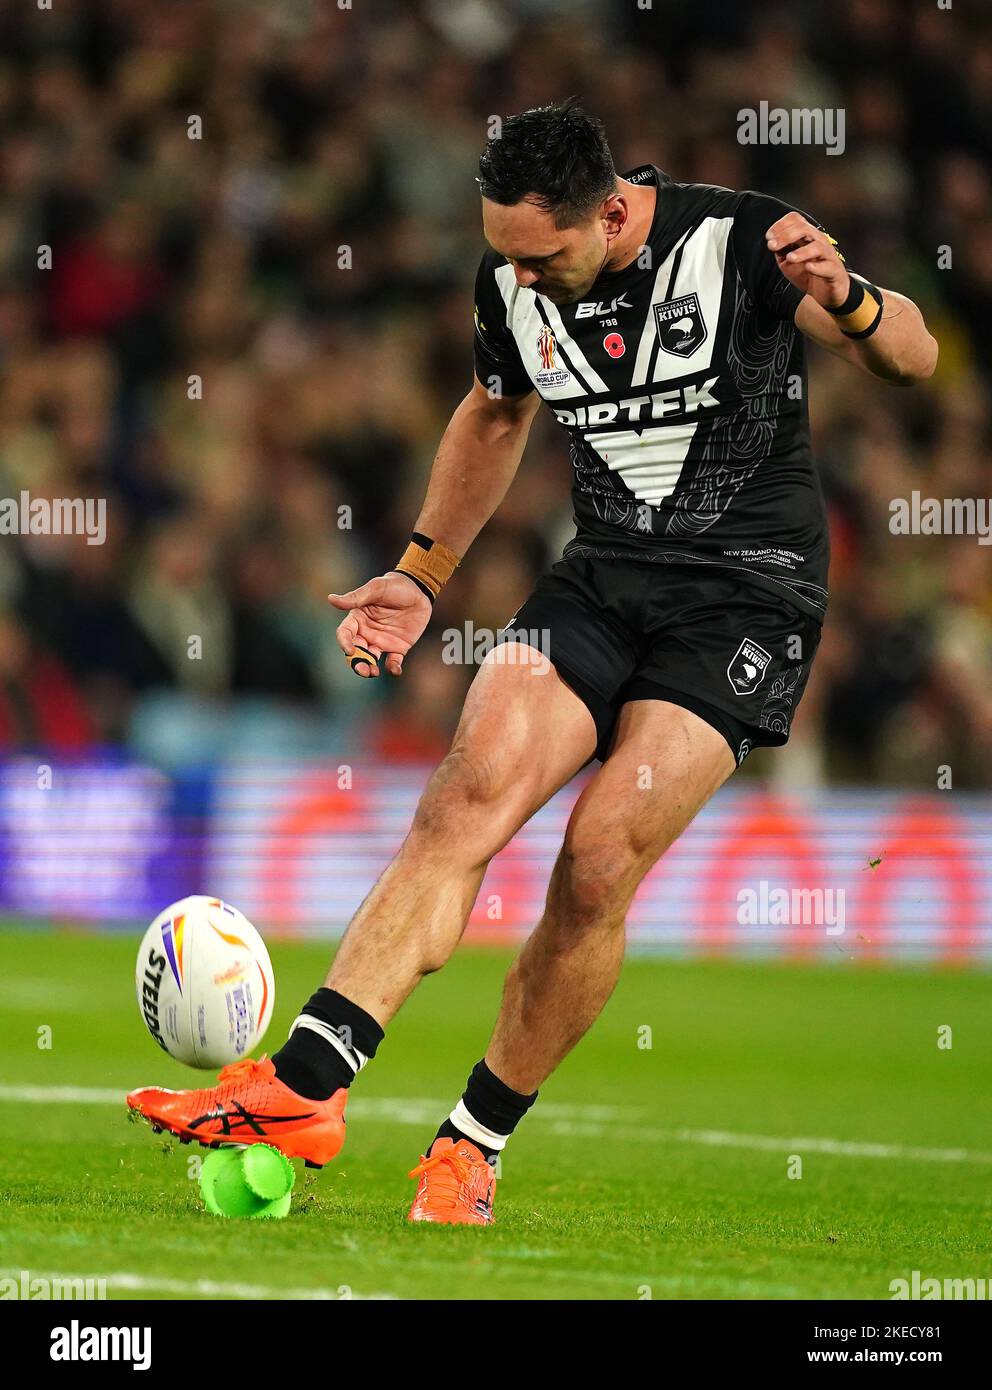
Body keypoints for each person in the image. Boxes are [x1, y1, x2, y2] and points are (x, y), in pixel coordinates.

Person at [128, 100, 938, 1225]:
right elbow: (492, 413)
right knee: (465, 791)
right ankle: (302, 1091)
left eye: (541, 255)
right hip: (604, 570)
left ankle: (471, 1144)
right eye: (502, 251)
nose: (521, 275)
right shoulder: (510, 275)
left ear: (611, 212)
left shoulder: (739, 240)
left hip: (746, 599)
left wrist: (847, 295)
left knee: (598, 860)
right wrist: (418, 575)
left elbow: (913, 355)